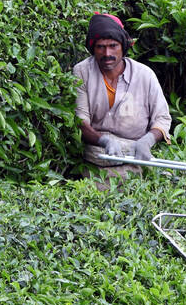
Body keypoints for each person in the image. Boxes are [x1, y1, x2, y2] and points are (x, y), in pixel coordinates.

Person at [73, 12, 171, 186]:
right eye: (100, 47)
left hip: (135, 159)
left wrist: (147, 141)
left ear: (123, 47)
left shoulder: (144, 75)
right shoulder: (82, 72)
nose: (107, 53)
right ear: (92, 48)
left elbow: (162, 118)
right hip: (97, 162)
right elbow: (80, 121)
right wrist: (104, 140)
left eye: (113, 46)